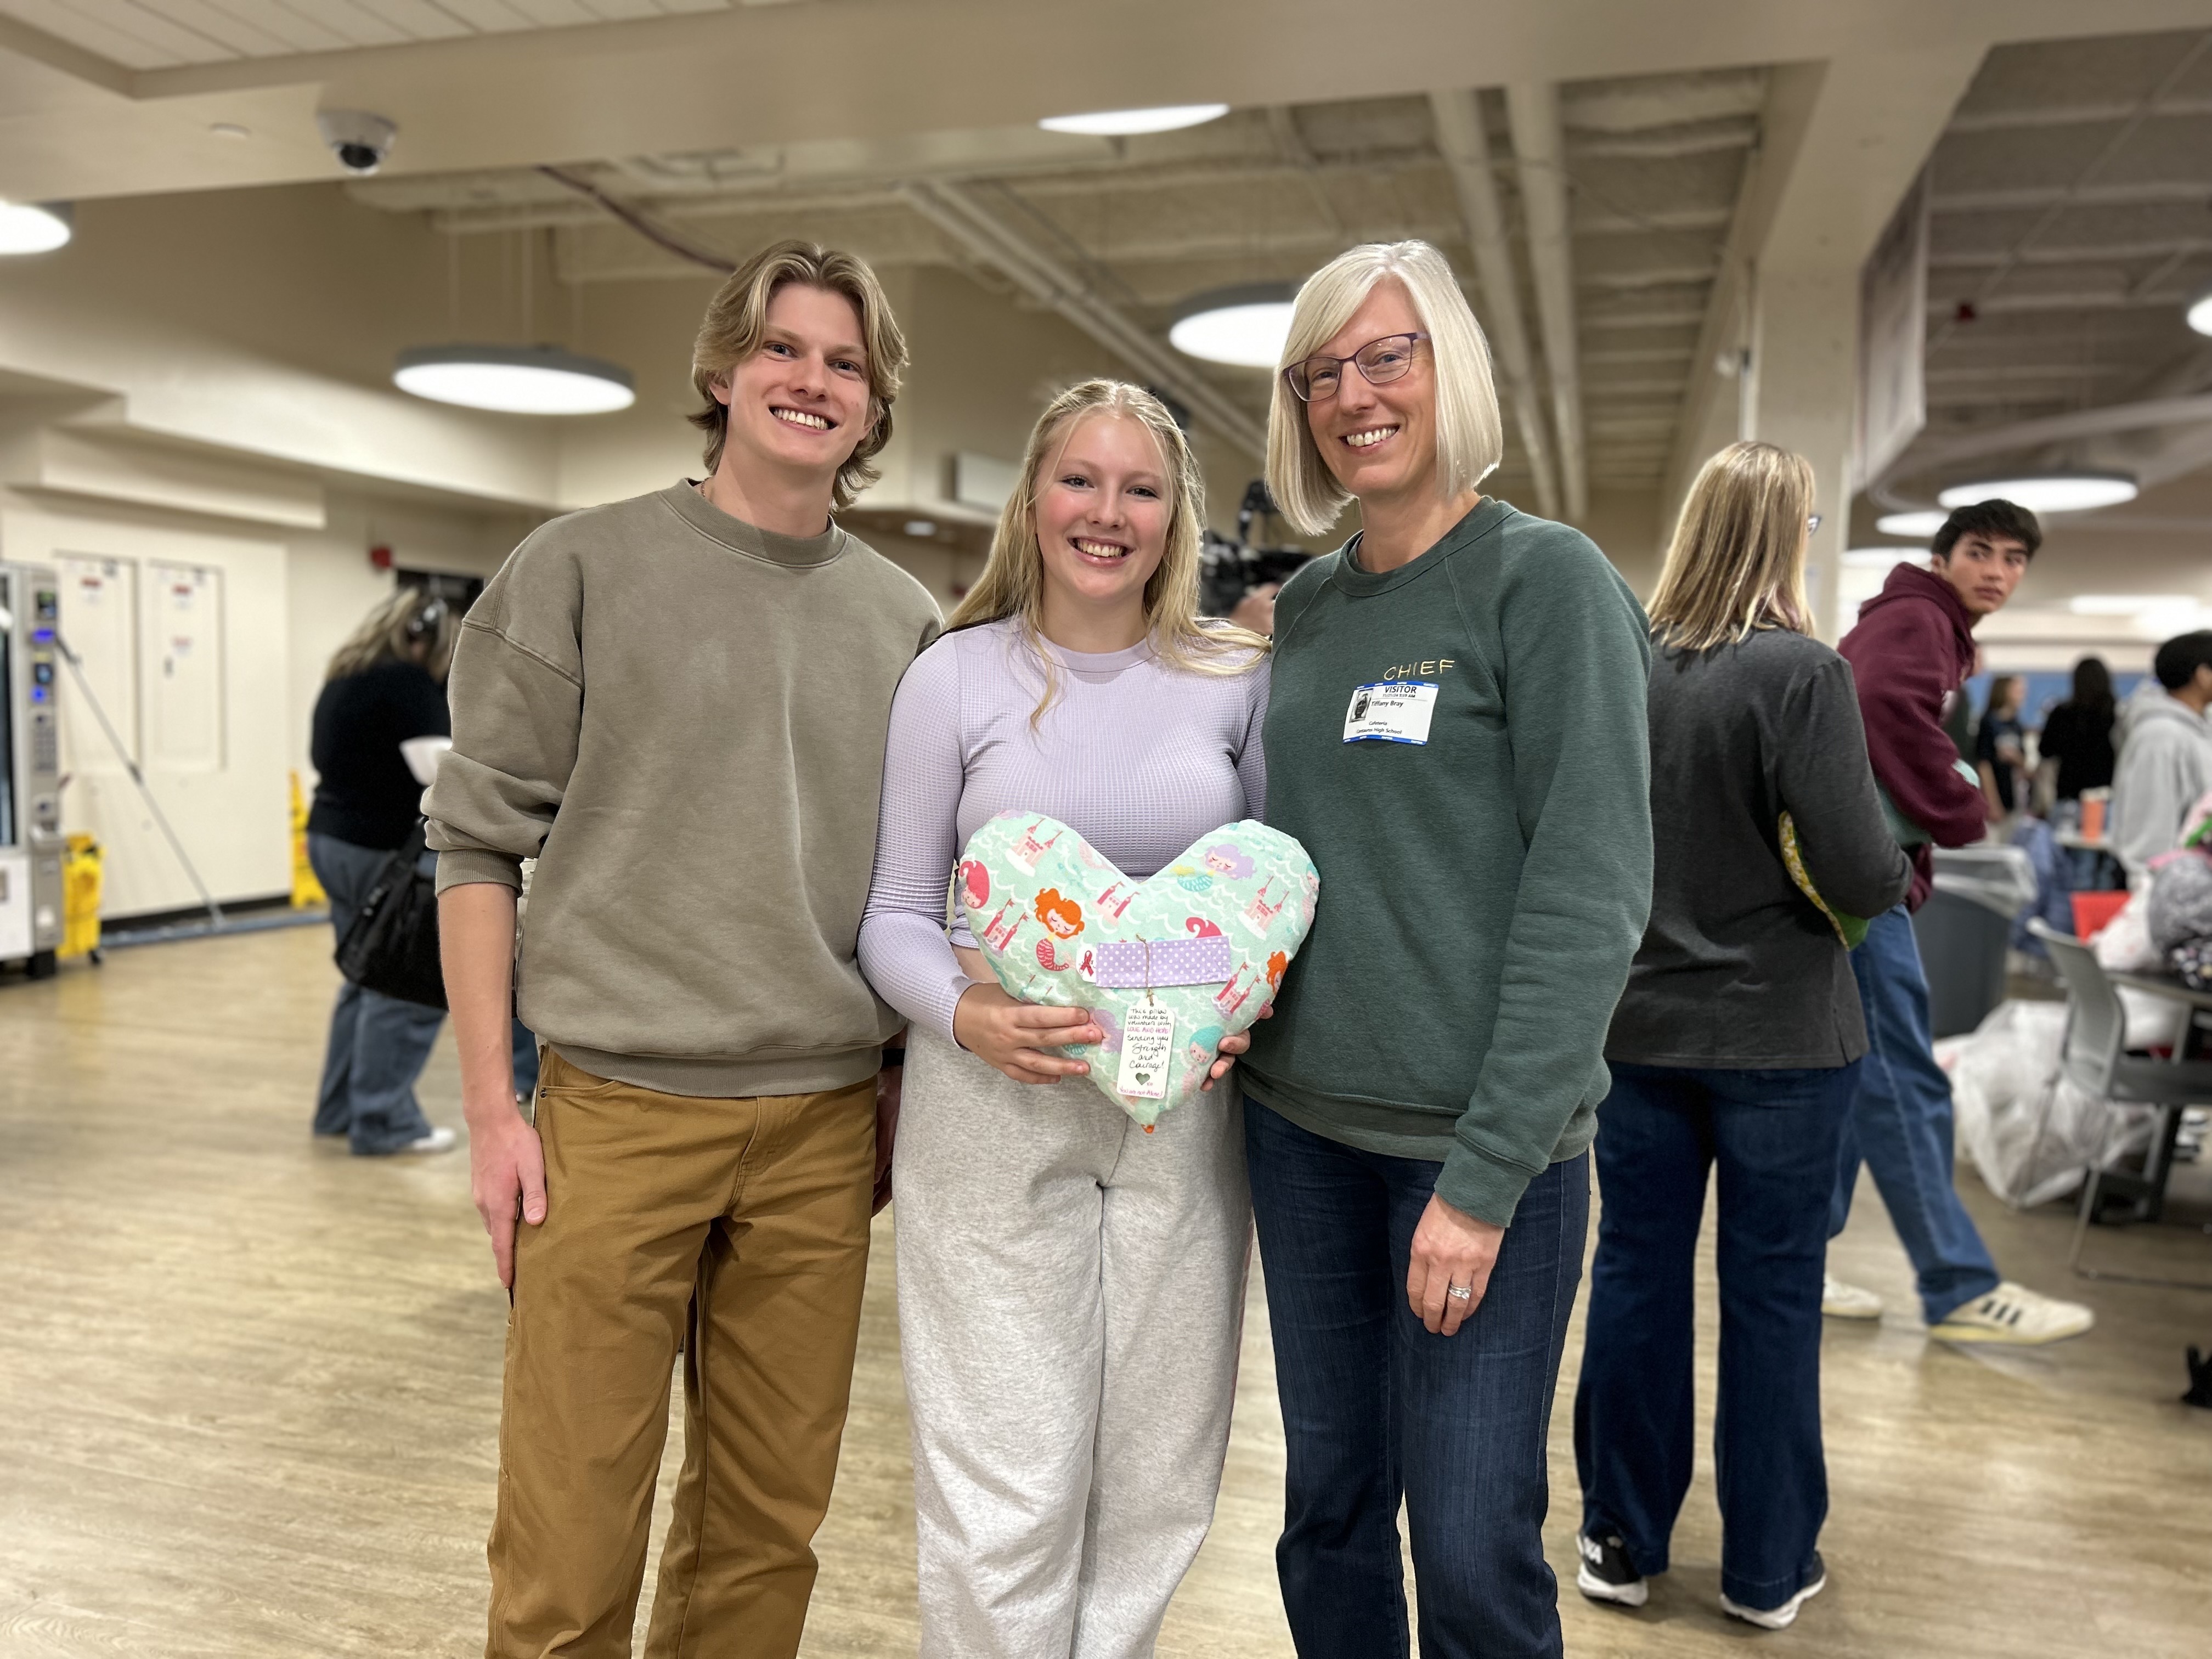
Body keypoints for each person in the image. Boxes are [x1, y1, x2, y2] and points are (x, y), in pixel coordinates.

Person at [423, 240, 940, 1659]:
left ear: (875, 405)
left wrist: (900, 1084)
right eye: (783, 348)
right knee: (570, 1532)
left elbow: (913, 885)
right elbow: (473, 847)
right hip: (617, 1114)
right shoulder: (579, 569)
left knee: (765, 1536)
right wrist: (489, 1112)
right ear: (721, 372)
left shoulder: (907, 623)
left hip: (827, 1126)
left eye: (846, 362)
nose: (811, 380)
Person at [1238, 240, 1652, 1659]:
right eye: (1323, 372)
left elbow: (1590, 894)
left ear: (1449, 370)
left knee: (1473, 1546)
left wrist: (1481, 1184)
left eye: (1386, 357)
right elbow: (1290, 862)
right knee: (1330, 1516)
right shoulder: (1307, 607)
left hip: (1484, 1158)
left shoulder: (1546, 582)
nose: (1354, 394)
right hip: (1299, 1138)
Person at [857, 380, 1269, 1657]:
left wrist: (1250, 1004)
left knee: (1158, 1471)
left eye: (1140, 487)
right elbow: (896, 911)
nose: (1107, 512)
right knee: (1004, 1474)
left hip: (1183, 1121)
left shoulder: (1237, 679)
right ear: (1032, 500)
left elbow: (1272, 885)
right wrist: (966, 1011)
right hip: (988, 1109)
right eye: (1080, 481)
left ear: (1177, 515)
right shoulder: (955, 677)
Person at [1571, 442, 1910, 1632]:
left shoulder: (1624, 666)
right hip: (1783, 1039)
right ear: (1787, 534)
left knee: (1634, 1281)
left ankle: (1619, 1539)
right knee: (1772, 1298)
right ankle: (1766, 1567)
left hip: (1637, 1026)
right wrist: (1897, 868)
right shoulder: (1801, 672)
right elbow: (1863, 865)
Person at [1824, 500, 2093, 1344]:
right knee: (1905, 1080)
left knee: (1857, 1079)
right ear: (1943, 558)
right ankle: (1957, 1284)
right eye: (1981, 552)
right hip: (1861, 887)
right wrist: (1961, 804)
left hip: (1852, 882)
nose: (1997, 573)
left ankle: (1797, 1256)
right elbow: (1877, 707)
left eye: (2015, 560)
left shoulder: (1922, 620)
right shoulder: (1919, 619)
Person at [307, 587, 461, 1158]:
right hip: (379, 850)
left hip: (332, 841)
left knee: (364, 973)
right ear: (426, 637)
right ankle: (384, 1120)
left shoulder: (343, 677)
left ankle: (340, 1110)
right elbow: (436, 769)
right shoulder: (404, 683)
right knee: (407, 983)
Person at [2109, 631, 2212, 875]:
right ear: (2203, 675)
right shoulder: (2160, 737)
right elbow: (2148, 841)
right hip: (2172, 896)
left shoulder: (2197, 730)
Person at [2037, 655, 2117, 805]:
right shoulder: (2115, 713)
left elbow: (2045, 750)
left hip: (2069, 794)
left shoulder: (2062, 713)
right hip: (2106, 795)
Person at [1973, 673, 2027, 819]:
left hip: (2014, 798)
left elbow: (2023, 763)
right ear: (2005, 691)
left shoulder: (2016, 725)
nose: (2023, 695)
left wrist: (2016, 758)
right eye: (2018, 690)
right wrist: (1993, 803)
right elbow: (1984, 764)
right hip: (1995, 797)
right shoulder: (1989, 723)